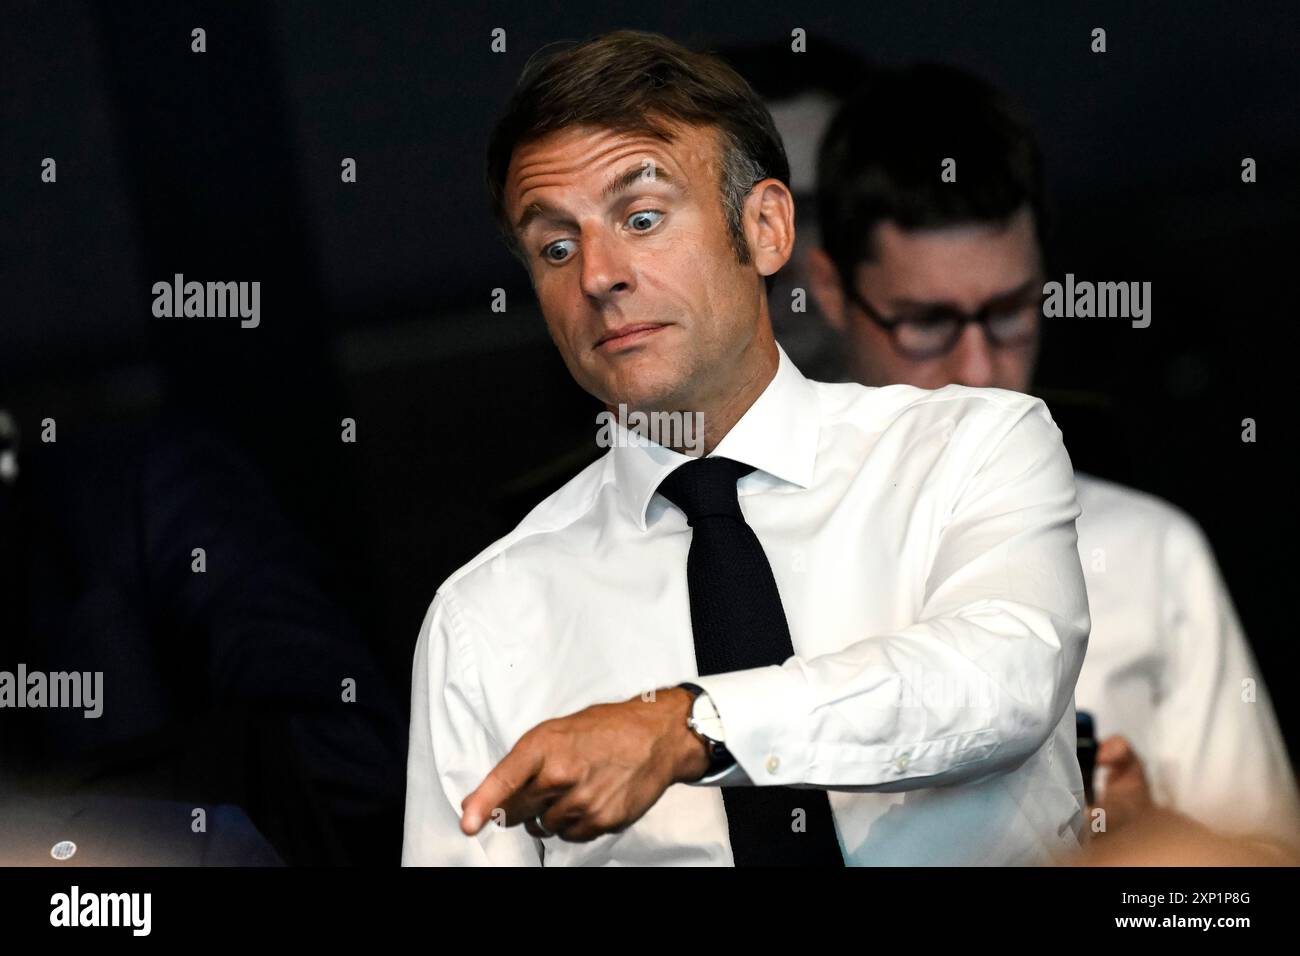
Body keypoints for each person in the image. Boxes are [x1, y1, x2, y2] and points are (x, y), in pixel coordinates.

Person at [402, 30, 1092, 866]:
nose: (597, 275)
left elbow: (1002, 682)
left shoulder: (970, 449)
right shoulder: (486, 618)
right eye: (556, 246)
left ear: (767, 227)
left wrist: (688, 726)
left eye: (642, 217)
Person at [805, 63, 1300, 857]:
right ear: (829, 290)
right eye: (927, 323)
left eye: (1009, 312)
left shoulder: (1150, 552)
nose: (978, 368)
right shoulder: (748, 559)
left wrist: (1146, 845)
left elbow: (1251, 889)